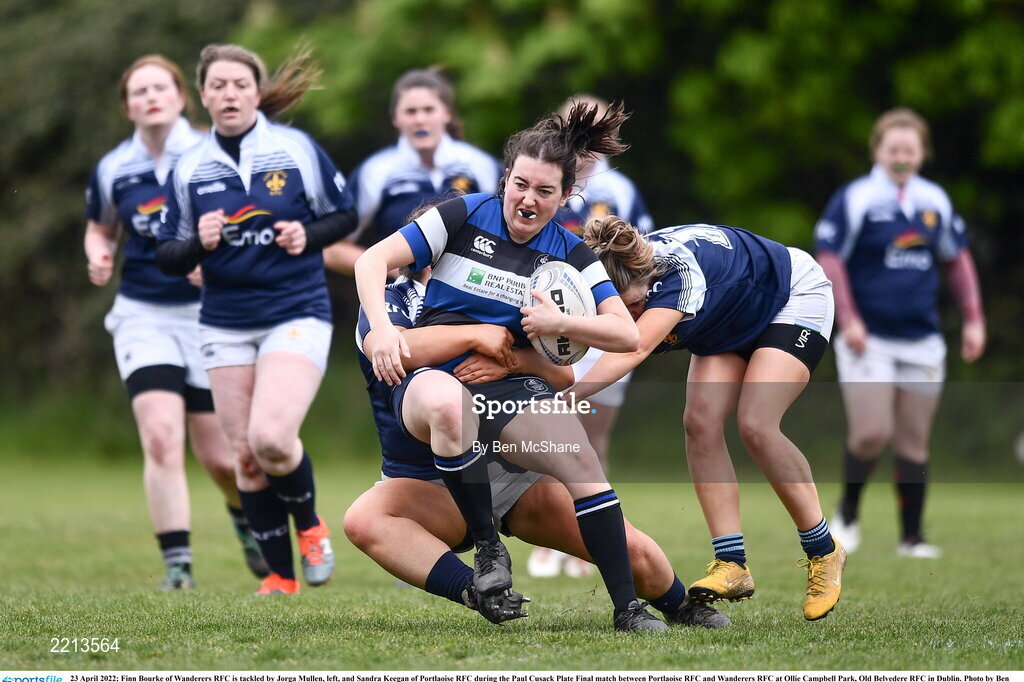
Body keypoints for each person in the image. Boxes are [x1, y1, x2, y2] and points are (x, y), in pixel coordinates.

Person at [355, 102, 669, 631]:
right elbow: (370, 260)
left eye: (545, 192)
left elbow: (624, 333)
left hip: (506, 388)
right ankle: (487, 552)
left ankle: (628, 608)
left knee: (580, 460)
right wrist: (385, 330)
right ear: (505, 178)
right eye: (519, 184)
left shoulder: (569, 253)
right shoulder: (461, 214)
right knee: (443, 403)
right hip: (439, 385)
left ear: (566, 197)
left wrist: (555, 328)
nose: (528, 199)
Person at [345, 264, 730, 629]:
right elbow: (397, 348)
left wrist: (513, 362)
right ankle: (476, 589)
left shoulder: (498, 293)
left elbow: (562, 373)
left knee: (638, 557)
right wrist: (474, 336)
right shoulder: (387, 303)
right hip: (431, 484)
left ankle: (680, 606)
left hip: (514, 477)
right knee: (364, 519)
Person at [572, 216, 847, 621]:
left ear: (648, 279)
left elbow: (631, 349)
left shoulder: (676, 277)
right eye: (618, 308)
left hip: (792, 295)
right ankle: (732, 563)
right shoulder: (606, 280)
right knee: (699, 422)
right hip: (729, 318)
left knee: (756, 423)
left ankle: (824, 550)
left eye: (634, 305)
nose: (628, 315)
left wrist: (564, 397)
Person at [156, 44, 357, 595]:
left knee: (270, 437)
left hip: (295, 311)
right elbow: (166, 255)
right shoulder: (189, 166)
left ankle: (312, 527)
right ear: (203, 96)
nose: (229, 94)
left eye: (239, 85)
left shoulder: (293, 149)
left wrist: (306, 235)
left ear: (256, 91)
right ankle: (279, 575)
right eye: (217, 85)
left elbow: (345, 214)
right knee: (243, 456)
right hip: (223, 323)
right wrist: (197, 241)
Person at [85, 55, 268, 591]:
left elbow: (250, 226)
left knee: (218, 455)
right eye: (138, 91)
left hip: (209, 319)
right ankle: (178, 568)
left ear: (181, 97)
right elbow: (101, 228)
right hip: (143, 316)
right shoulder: (114, 167)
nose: (150, 97)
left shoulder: (214, 157)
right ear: (127, 107)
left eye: (159, 87)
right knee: (162, 438)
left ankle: (243, 515)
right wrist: (98, 253)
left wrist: (213, 264)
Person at [814, 107, 986, 559]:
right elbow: (829, 258)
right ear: (879, 151)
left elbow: (957, 260)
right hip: (868, 337)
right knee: (872, 432)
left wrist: (973, 317)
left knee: (913, 441)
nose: (902, 156)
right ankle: (848, 513)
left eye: (910, 149)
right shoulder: (858, 198)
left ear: (922, 153)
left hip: (923, 338)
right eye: (894, 149)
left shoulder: (934, 201)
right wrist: (848, 318)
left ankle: (912, 537)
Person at [529, 93, 655, 580]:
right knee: (545, 432)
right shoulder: (545, 183)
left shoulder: (622, 191)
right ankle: (548, 540)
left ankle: (587, 539)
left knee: (593, 436)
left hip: (604, 325)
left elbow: (641, 254)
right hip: (548, 325)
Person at [322, 68, 500, 275]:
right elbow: (332, 249)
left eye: (428, 110)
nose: (420, 120)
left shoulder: (480, 165)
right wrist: (394, 268)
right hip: (398, 299)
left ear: (447, 114)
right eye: (410, 112)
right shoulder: (376, 171)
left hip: (469, 298)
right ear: (395, 118)